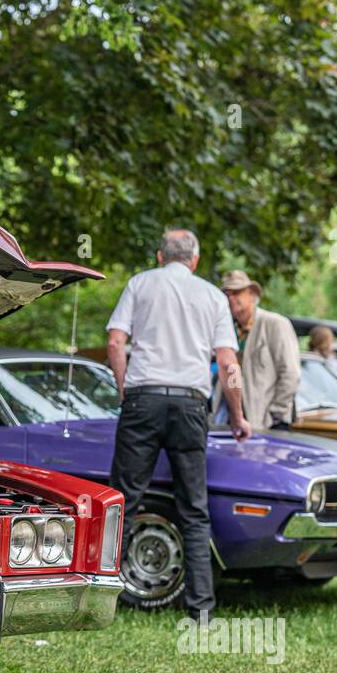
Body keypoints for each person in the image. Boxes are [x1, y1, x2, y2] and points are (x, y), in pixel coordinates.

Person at [107, 229, 251, 623]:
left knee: (123, 500)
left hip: (143, 400)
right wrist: (237, 416)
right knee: (194, 506)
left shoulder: (139, 284)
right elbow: (229, 365)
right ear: (195, 260)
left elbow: (116, 342)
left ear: (159, 256)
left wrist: (125, 391)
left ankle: (104, 602)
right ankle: (201, 609)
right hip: (190, 404)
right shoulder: (212, 297)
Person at [218, 270, 301, 430]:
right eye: (227, 294)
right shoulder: (230, 329)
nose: (231, 298)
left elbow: (291, 373)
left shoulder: (275, 324)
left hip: (268, 423)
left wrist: (275, 414)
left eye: (236, 292)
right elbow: (231, 372)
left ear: (252, 294)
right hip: (236, 422)